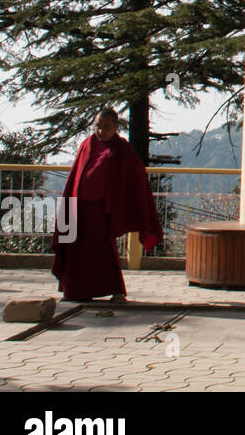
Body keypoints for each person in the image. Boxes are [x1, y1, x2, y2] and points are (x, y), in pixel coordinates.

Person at [51, 107, 163, 302]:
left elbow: (136, 175)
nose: (101, 131)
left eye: (106, 127)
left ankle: (117, 291)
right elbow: (76, 173)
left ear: (116, 127)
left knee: (104, 250)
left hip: (102, 209)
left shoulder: (121, 148)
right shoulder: (87, 144)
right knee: (75, 249)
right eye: (98, 126)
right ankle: (76, 291)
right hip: (79, 207)